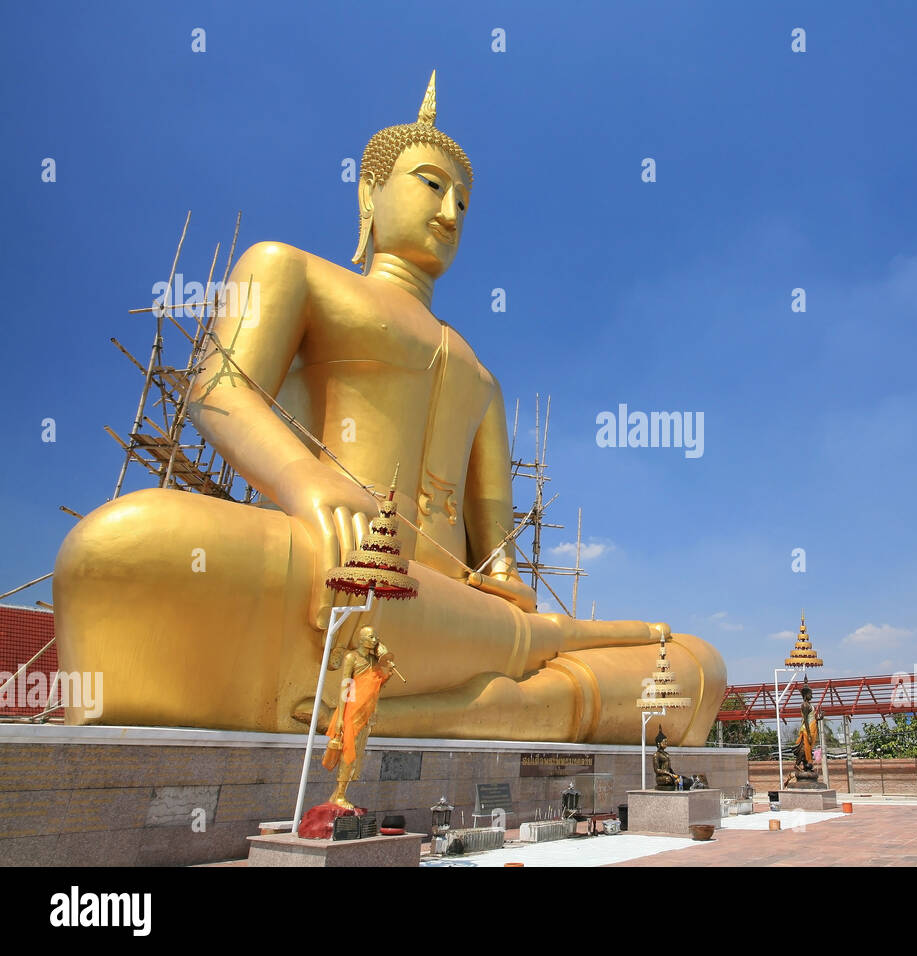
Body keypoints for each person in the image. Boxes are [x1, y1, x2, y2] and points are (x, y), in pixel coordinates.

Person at [53, 70, 726, 744]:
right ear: (369, 192)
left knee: (698, 664)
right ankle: (500, 691)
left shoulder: (482, 376)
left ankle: (477, 708)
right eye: (433, 185)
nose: (451, 212)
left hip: (459, 614)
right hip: (339, 567)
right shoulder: (293, 270)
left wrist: (505, 580)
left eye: (464, 201)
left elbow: (496, 558)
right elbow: (217, 393)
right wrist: (311, 483)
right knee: (120, 549)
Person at [323, 626, 396, 808]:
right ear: (361, 639)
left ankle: (338, 794)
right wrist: (340, 716)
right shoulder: (351, 658)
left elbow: (377, 685)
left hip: (366, 713)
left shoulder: (373, 661)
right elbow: (345, 687)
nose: (375, 639)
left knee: (357, 756)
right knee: (349, 753)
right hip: (352, 711)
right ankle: (339, 795)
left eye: (376, 637)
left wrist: (385, 662)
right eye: (371, 636)